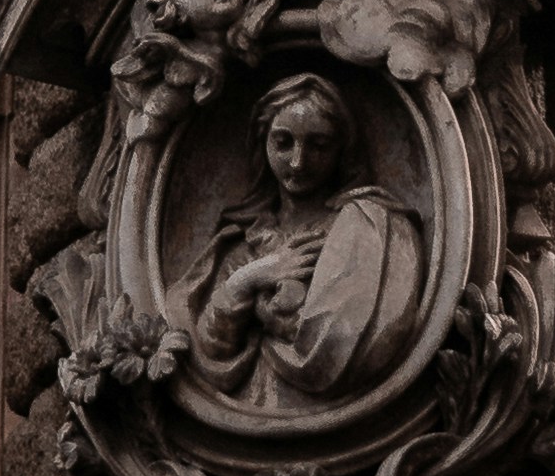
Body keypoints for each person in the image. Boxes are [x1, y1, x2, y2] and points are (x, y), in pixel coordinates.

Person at [182, 74, 426, 406]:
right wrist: (249, 278)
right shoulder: (243, 243)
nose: (298, 162)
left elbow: (372, 339)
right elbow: (211, 351)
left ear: (342, 149)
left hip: (343, 413)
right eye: (283, 143)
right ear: (262, 142)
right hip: (256, 415)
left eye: (319, 146)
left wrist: (277, 320)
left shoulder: (368, 229)